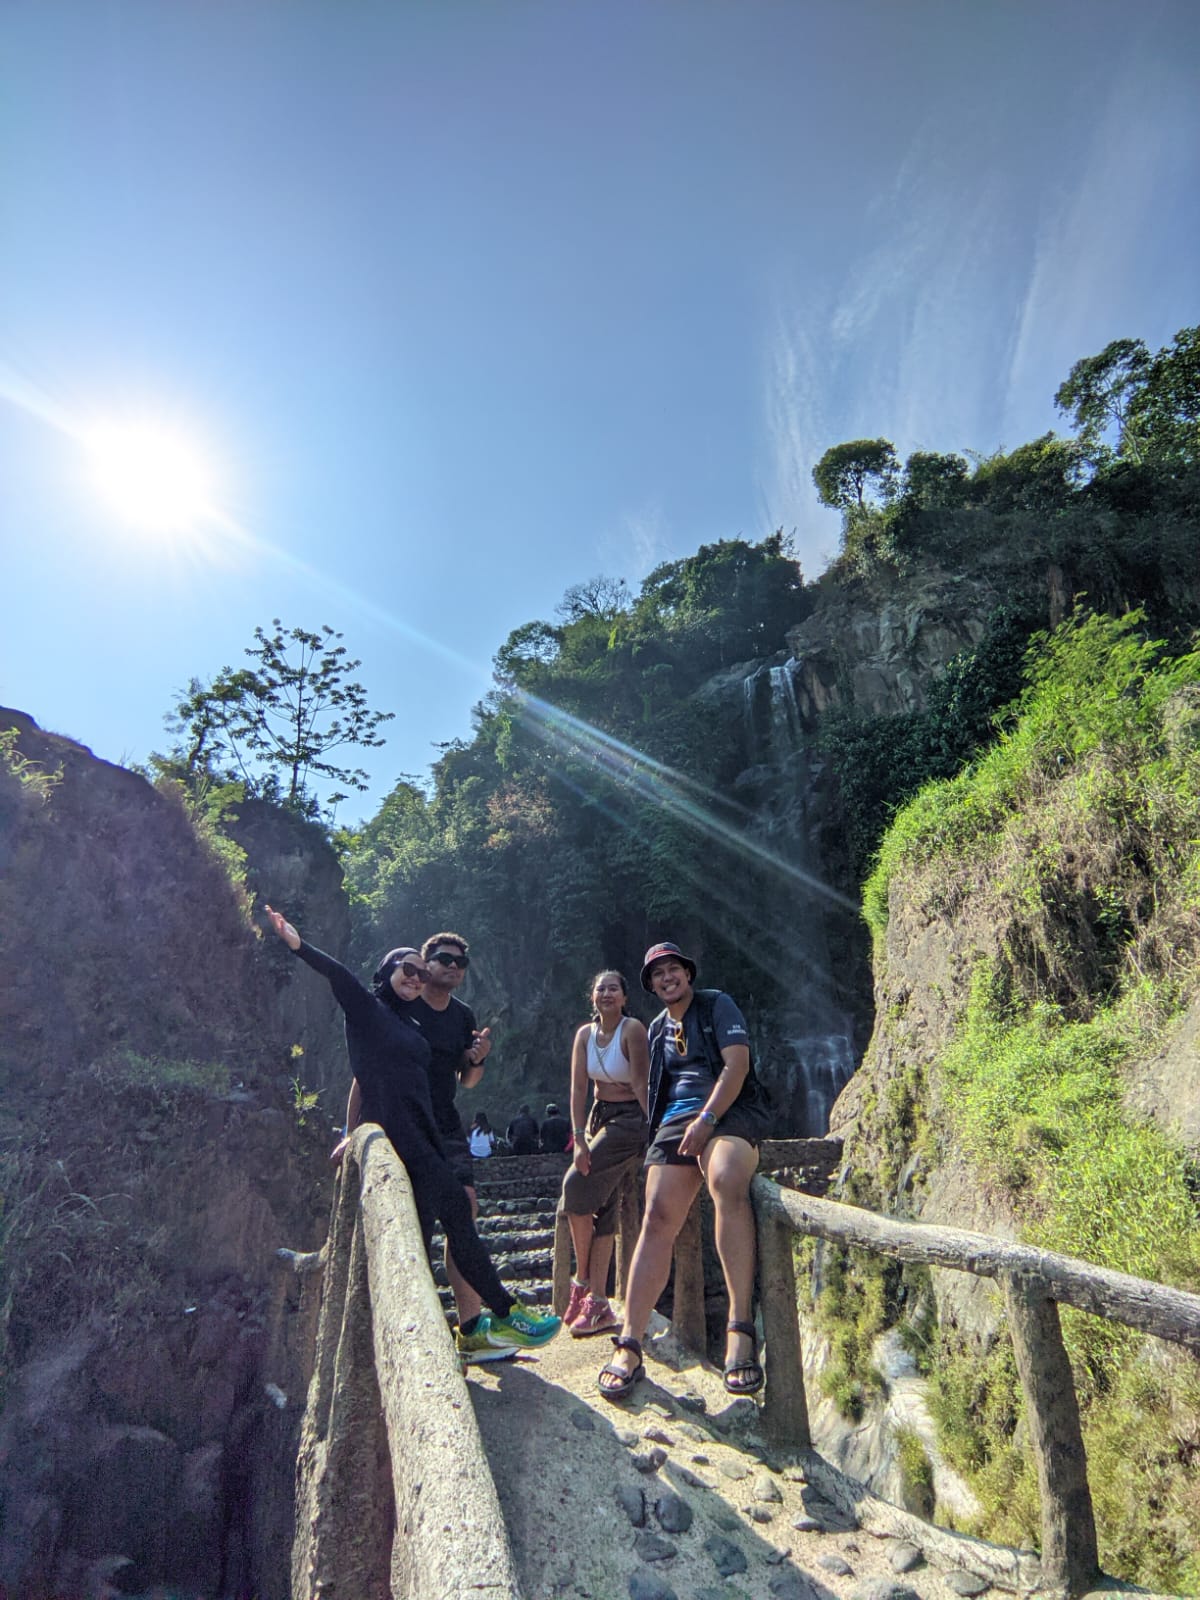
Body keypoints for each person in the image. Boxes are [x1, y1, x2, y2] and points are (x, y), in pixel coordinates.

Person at [263, 906, 560, 1361]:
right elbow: (339, 977)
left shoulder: (411, 1021)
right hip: (396, 1138)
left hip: (427, 1138)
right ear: (387, 970)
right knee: (433, 1227)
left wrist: (474, 1060)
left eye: (422, 973)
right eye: (409, 969)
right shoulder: (369, 1009)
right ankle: (479, 1318)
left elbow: (451, 1080)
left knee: (451, 1223)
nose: (417, 978)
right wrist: (299, 945)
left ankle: (492, 1318)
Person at [597, 941, 771, 1402]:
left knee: (725, 1178)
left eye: (673, 969)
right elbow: (655, 1087)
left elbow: (736, 1065)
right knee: (656, 1217)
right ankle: (629, 1343)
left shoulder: (717, 1004)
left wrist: (707, 1121)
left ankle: (740, 1327)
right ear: (651, 986)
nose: (666, 978)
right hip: (676, 1121)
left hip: (728, 1112)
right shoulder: (656, 1028)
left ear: (688, 975)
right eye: (657, 974)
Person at [407, 933, 493, 1338]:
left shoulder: (463, 1016)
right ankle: (420, 1327)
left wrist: (477, 1059)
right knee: (417, 1220)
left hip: (446, 1122)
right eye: (443, 959)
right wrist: (351, 1130)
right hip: (405, 1121)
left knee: (466, 1207)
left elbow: (470, 1081)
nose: (452, 966)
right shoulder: (403, 1005)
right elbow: (366, 1072)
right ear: (425, 963)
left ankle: (471, 1324)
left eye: (460, 961)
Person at [560, 971, 649, 1338]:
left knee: (576, 1187)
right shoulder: (584, 1035)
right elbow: (579, 1088)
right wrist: (579, 1139)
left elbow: (643, 1084)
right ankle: (599, 1303)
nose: (607, 993)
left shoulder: (633, 1030)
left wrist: (657, 1132)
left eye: (614, 988)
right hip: (599, 1120)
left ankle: (581, 1282)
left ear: (624, 997)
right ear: (592, 997)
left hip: (630, 1121)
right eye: (600, 988)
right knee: (604, 1206)